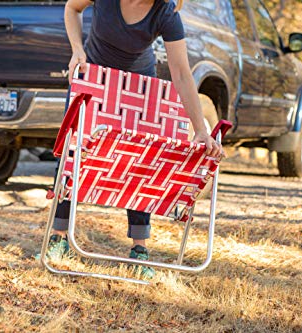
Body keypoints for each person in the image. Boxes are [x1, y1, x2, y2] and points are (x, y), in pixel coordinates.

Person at [40, 0, 223, 278]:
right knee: (73, 153)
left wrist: (199, 128)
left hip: (139, 84)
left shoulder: (165, 12)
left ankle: (139, 249)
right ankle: (59, 236)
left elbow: (182, 73)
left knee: (140, 162)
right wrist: (77, 50)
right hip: (94, 78)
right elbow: (71, 8)